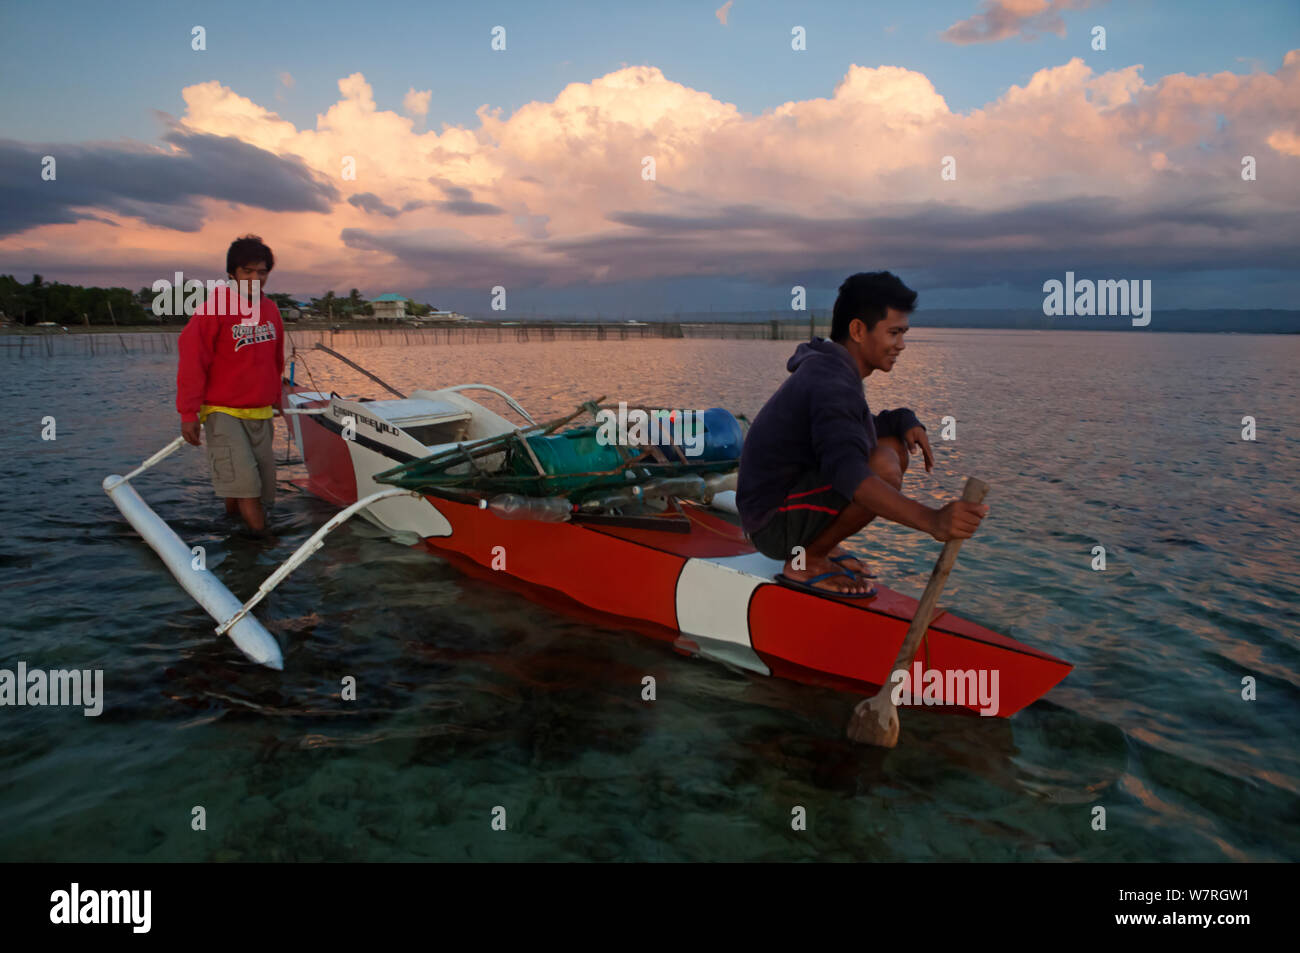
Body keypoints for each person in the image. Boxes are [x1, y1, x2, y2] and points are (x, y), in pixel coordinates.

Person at [736, 271, 988, 596]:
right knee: (882, 465)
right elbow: (849, 474)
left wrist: (904, 420)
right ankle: (808, 561)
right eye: (894, 333)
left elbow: (856, 428)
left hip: (778, 507)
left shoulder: (832, 369)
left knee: (891, 446)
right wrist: (932, 520)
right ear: (857, 330)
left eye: (903, 333)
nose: (901, 345)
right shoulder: (832, 383)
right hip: (771, 524)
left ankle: (818, 547)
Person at [176, 235, 285, 535]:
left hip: (260, 412)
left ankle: (233, 530)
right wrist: (188, 414)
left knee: (259, 484)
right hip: (224, 411)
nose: (255, 278)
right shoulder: (213, 309)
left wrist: (279, 400)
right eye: (247, 271)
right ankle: (265, 548)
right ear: (232, 274)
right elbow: (192, 362)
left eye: (261, 272)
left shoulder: (271, 310)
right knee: (246, 486)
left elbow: (275, 359)